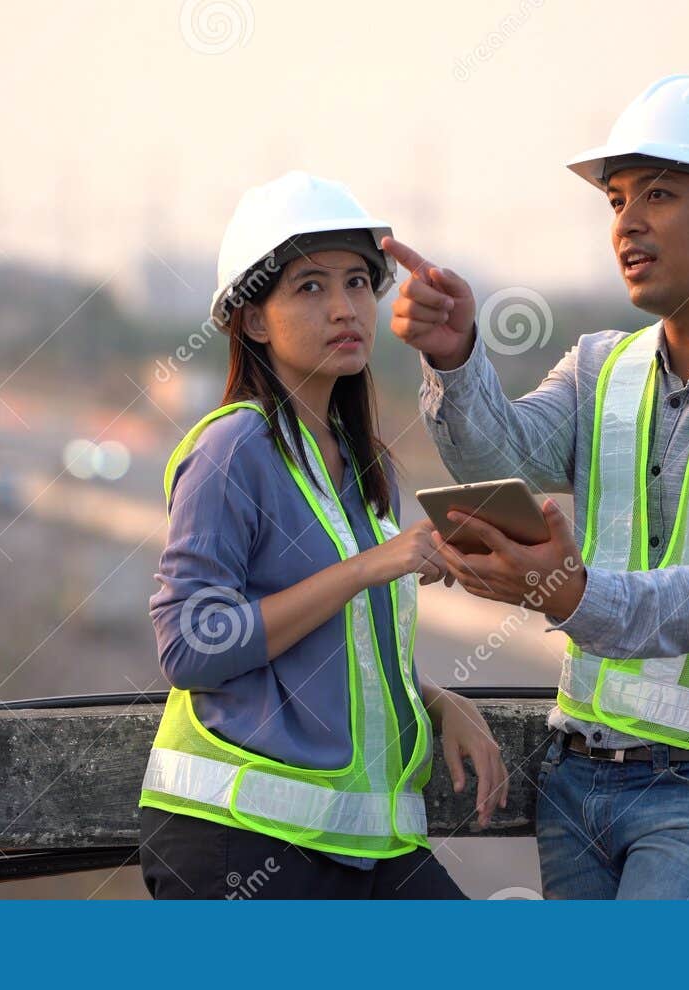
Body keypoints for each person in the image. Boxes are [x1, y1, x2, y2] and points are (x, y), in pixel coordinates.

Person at [384, 75, 689, 899]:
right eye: (616, 200)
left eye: (659, 193)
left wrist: (574, 595)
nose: (628, 223)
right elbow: (494, 458)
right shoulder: (599, 367)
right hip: (581, 778)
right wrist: (454, 355)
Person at [138, 171, 508, 899]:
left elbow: (342, 647)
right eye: (310, 288)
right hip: (236, 840)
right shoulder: (231, 450)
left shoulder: (360, 462)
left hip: (359, 849)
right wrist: (370, 566)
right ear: (252, 321)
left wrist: (435, 701)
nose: (345, 308)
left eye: (358, 284)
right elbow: (190, 645)